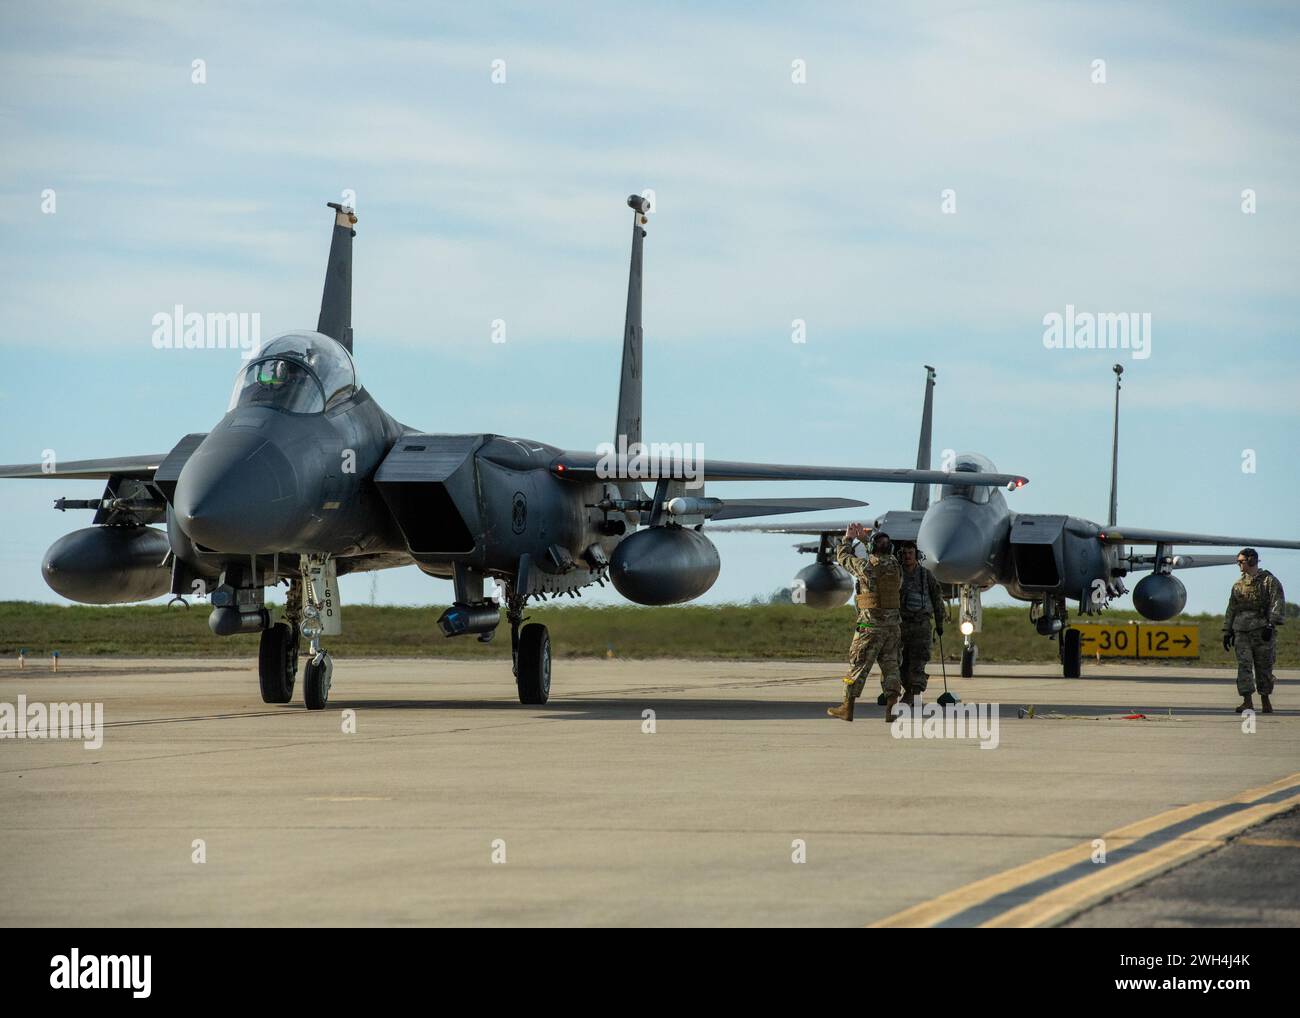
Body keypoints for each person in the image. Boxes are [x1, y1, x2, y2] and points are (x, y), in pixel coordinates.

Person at [828, 524, 902, 722]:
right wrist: (865, 539)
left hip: (870, 627)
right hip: (893, 628)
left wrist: (848, 539)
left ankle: (847, 707)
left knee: (857, 665)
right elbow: (879, 552)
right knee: (891, 667)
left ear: (871, 549)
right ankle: (891, 710)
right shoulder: (896, 566)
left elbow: (843, 558)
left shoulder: (866, 567)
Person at [1223, 547, 1285, 714]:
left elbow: (1277, 603)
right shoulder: (1238, 585)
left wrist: (1271, 625)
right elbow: (1232, 608)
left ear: (1251, 561)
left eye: (1241, 562)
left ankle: (1265, 700)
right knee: (1244, 665)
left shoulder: (1269, 582)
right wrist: (1227, 631)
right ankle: (1247, 701)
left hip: (1262, 630)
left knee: (1264, 666)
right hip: (1241, 631)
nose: (1239, 565)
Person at [897, 542, 945, 706]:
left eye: (910, 553)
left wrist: (939, 623)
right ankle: (908, 690)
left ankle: (914, 693)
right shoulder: (896, 575)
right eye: (904, 553)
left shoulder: (926, 575)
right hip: (900, 625)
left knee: (918, 662)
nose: (907, 556)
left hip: (921, 625)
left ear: (916, 555)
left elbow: (937, 599)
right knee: (900, 662)